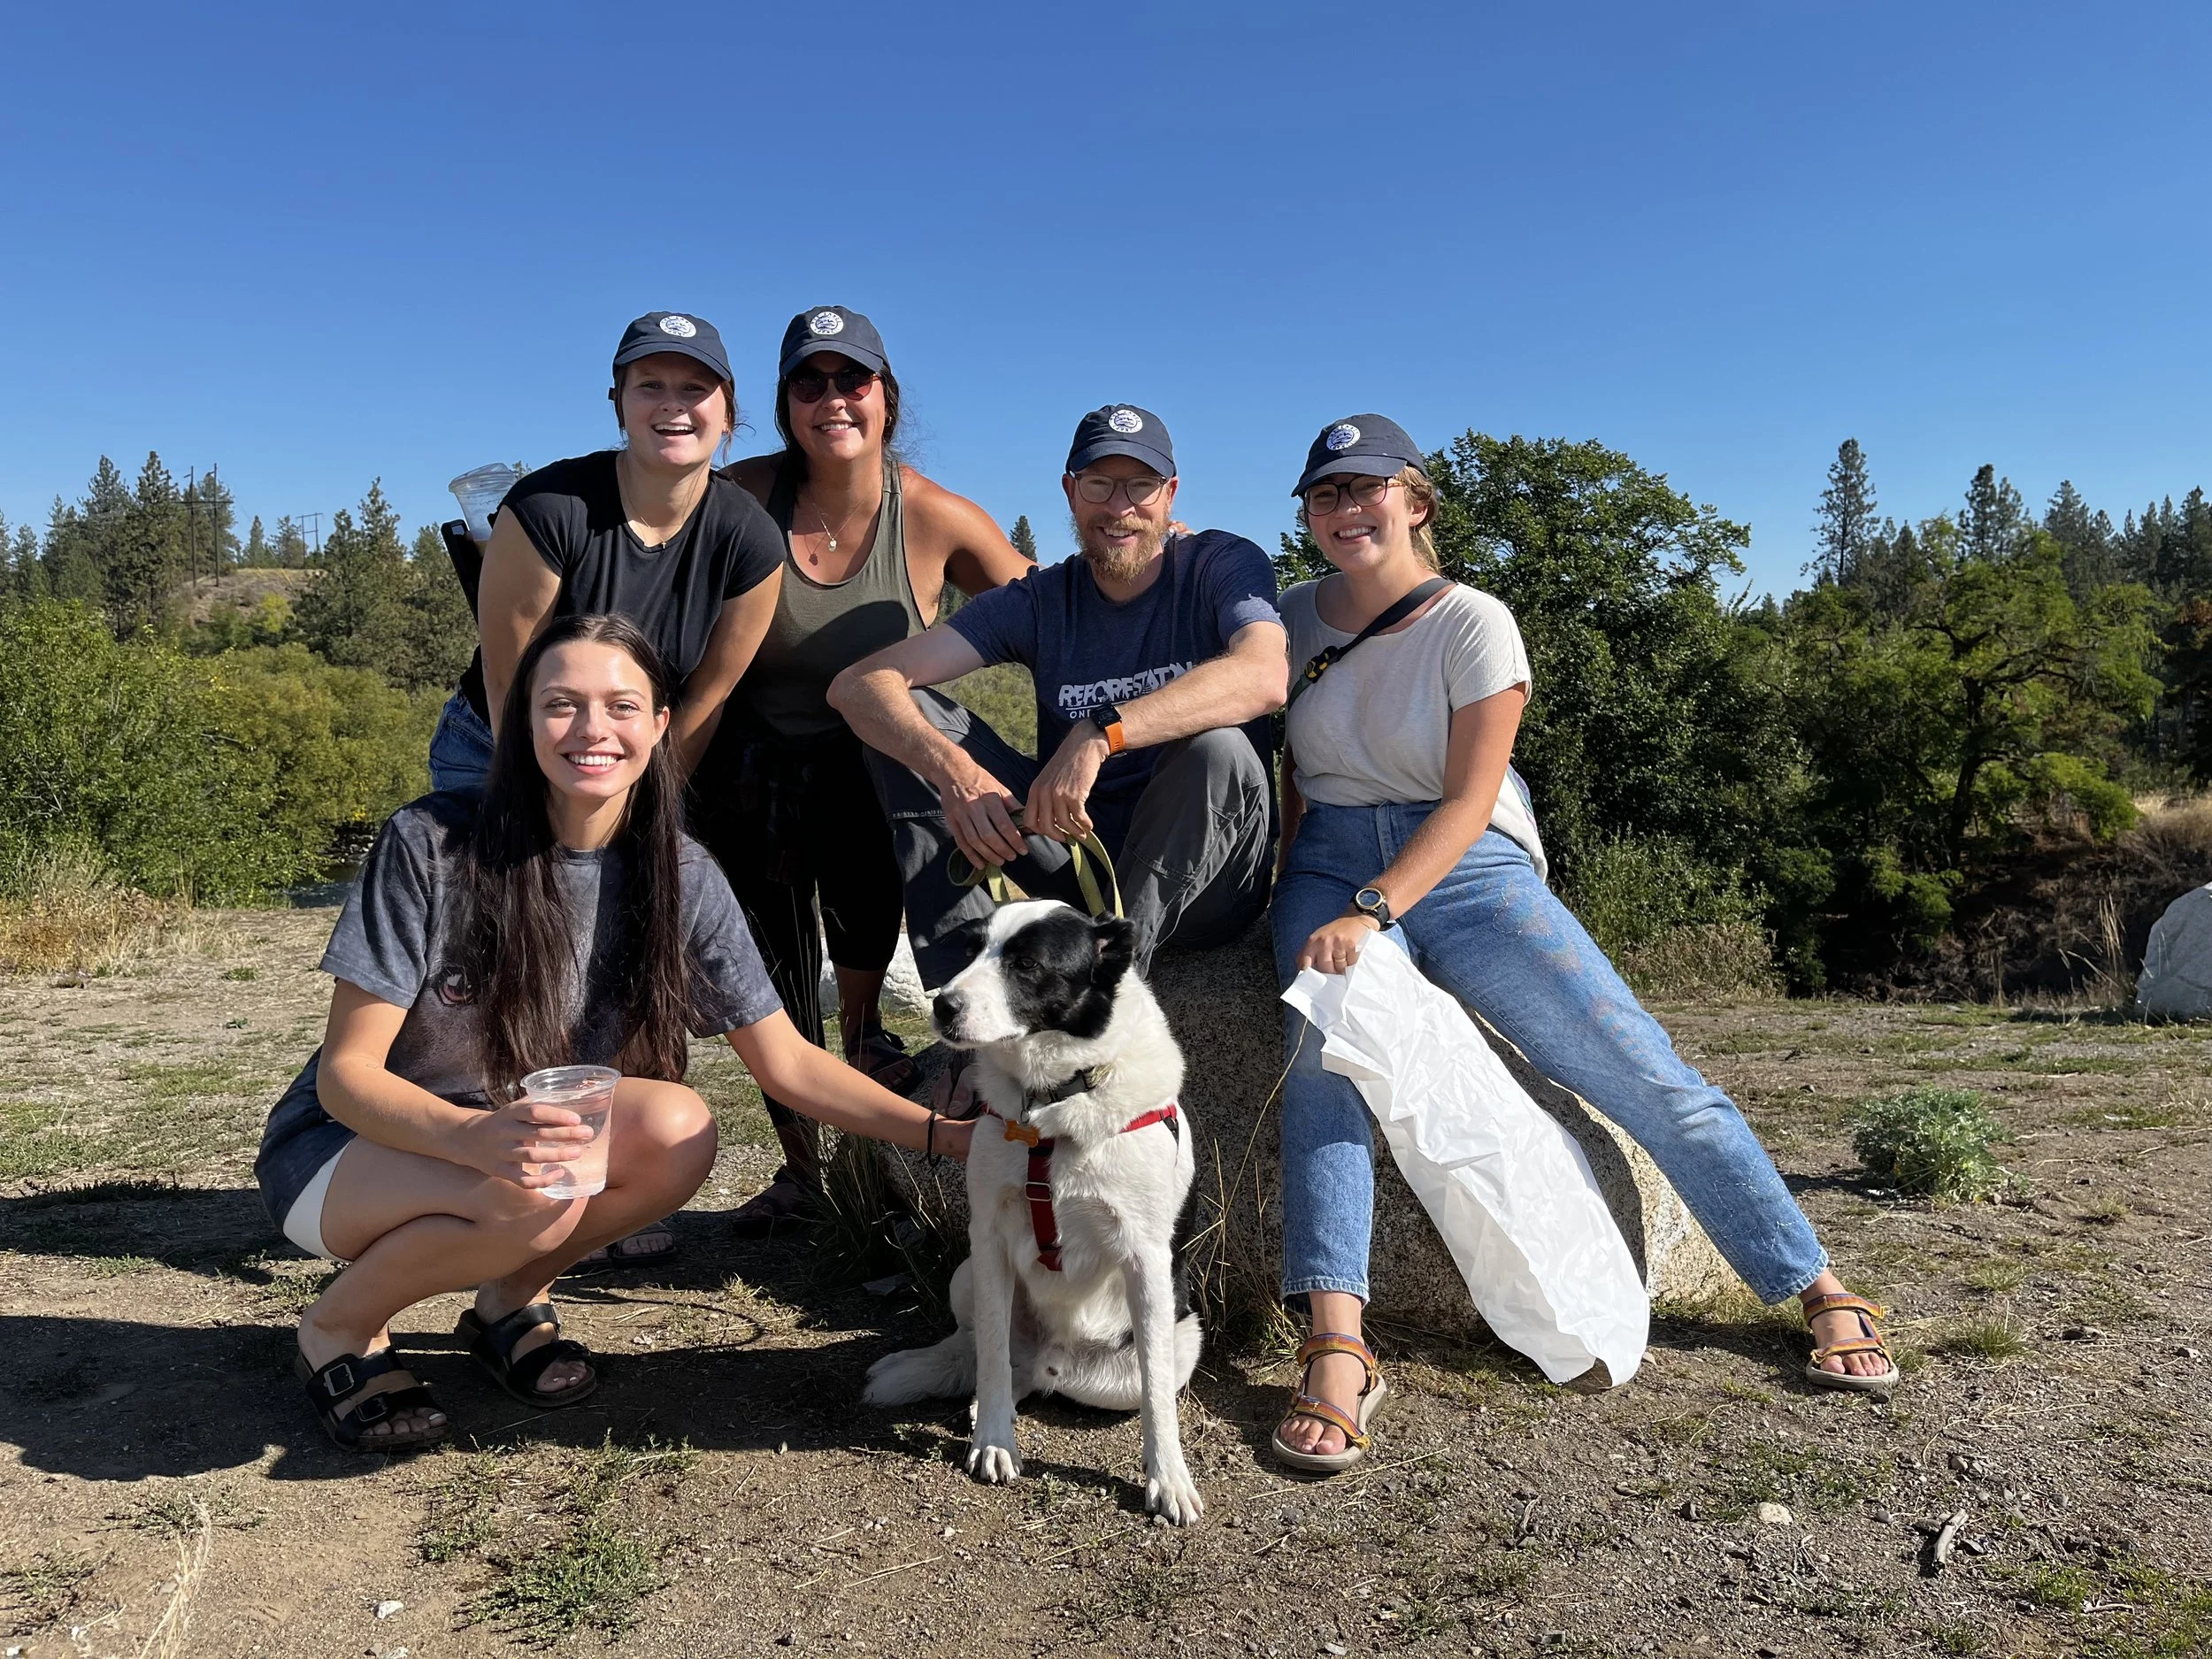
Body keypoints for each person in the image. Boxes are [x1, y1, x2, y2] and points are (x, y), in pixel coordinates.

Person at [1268, 414, 1898, 1475]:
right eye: (1324, 495)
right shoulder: (1287, 622)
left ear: (1415, 501)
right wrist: (1296, 897)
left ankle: (1812, 1282)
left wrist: (1373, 910)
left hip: (1462, 860)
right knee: (1324, 1056)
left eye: (1365, 488)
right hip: (1327, 856)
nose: (1343, 510)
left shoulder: (1475, 621)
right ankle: (1338, 1343)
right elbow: (1285, 777)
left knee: (1634, 1062)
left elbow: (1470, 800)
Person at [257, 614, 972, 1451]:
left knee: (679, 1129)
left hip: (519, 1158)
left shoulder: (682, 873)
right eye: (562, 704)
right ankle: (338, 1330)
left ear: (661, 724)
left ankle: (507, 1299)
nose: (593, 730)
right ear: (523, 721)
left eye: (621, 706)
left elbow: (786, 1062)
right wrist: (478, 1138)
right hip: (344, 1154)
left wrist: (943, 1136)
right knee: (537, 1180)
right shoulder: (434, 843)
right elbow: (348, 1077)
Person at [424, 310, 786, 1266]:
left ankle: (611, 1177)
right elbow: (512, 683)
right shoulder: (549, 509)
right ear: (618, 402)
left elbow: (707, 695)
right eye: (652, 387)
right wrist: (553, 814)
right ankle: (461, 1169)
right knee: (491, 959)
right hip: (500, 747)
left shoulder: (748, 539)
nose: (674, 407)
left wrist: (640, 810)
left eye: (695, 388)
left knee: (624, 954)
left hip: (637, 761)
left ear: (728, 411)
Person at [696, 305, 1032, 1233]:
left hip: (874, 780)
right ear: (783, 402)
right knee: (771, 977)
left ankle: (869, 1081)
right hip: (749, 769)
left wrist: (1163, 584)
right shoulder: (738, 497)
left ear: (886, 397)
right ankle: (804, 1170)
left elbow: (1051, 612)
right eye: (811, 382)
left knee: (853, 979)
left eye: (854, 381)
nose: (833, 400)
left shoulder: (931, 515)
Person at [828, 403, 1286, 993]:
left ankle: (1107, 983)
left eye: (1141, 485)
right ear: (1071, 491)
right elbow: (858, 685)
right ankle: (964, 993)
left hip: (1211, 877)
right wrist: (957, 774)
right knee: (909, 725)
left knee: (1218, 751)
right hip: (1079, 854)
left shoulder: (1218, 565)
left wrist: (1102, 731)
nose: (1120, 506)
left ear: (1170, 493)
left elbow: (1264, 674)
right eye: (1099, 483)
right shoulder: (1043, 599)